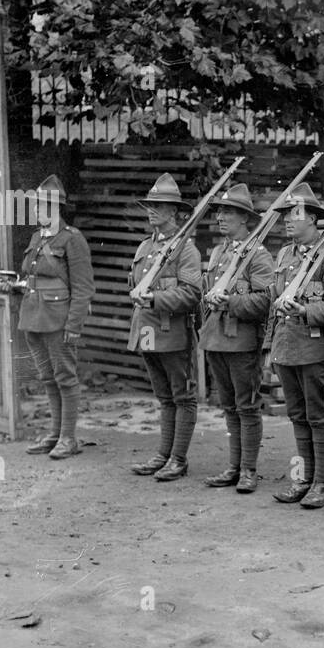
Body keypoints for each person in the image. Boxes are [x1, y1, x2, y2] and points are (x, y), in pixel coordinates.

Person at [267, 183, 324, 509]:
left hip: (314, 347)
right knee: (296, 416)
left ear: (313, 218)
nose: (288, 220)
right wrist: (271, 348)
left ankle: (322, 484)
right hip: (286, 347)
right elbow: (274, 304)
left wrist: (304, 311)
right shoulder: (284, 255)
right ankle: (302, 479)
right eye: (285, 214)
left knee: (317, 415)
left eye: (295, 213)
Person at [198, 183, 273, 493]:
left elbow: (264, 301)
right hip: (216, 339)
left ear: (244, 218)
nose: (220, 218)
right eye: (219, 212)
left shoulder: (258, 255)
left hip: (242, 341)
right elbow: (205, 290)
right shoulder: (218, 252)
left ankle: (249, 469)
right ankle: (233, 465)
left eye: (228, 212)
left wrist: (230, 302)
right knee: (228, 406)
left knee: (247, 406)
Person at [128, 173, 203, 481]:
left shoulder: (186, 249)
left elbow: (191, 293)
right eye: (150, 205)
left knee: (183, 395)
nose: (152, 211)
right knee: (163, 396)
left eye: (159, 206)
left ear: (174, 211)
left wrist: (154, 298)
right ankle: (163, 453)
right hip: (146, 330)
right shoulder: (145, 246)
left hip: (173, 332)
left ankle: (178, 458)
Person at [17, 175, 95, 460]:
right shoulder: (37, 237)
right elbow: (32, 275)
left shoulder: (72, 239)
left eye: (39, 205)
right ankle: (54, 433)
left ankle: (68, 437)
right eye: (35, 205)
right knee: (47, 377)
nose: (36, 210)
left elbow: (84, 288)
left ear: (54, 207)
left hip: (59, 319)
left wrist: (74, 326)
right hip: (33, 317)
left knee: (65, 377)